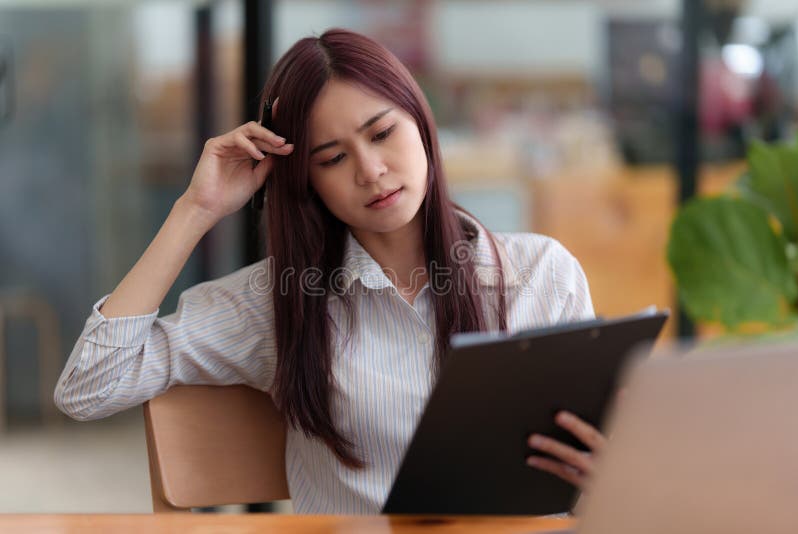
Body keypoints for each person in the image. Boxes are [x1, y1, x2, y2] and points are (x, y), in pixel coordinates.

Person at [54, 28, 603, 514]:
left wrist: (610, 468)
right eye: (333, 158)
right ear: (306, 181)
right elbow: (90, 386)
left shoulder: (539, 273)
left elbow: (599, 466)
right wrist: (196, 210)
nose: (371, 171)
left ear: (421, 123)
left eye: (382, 133)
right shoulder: (281, 302)